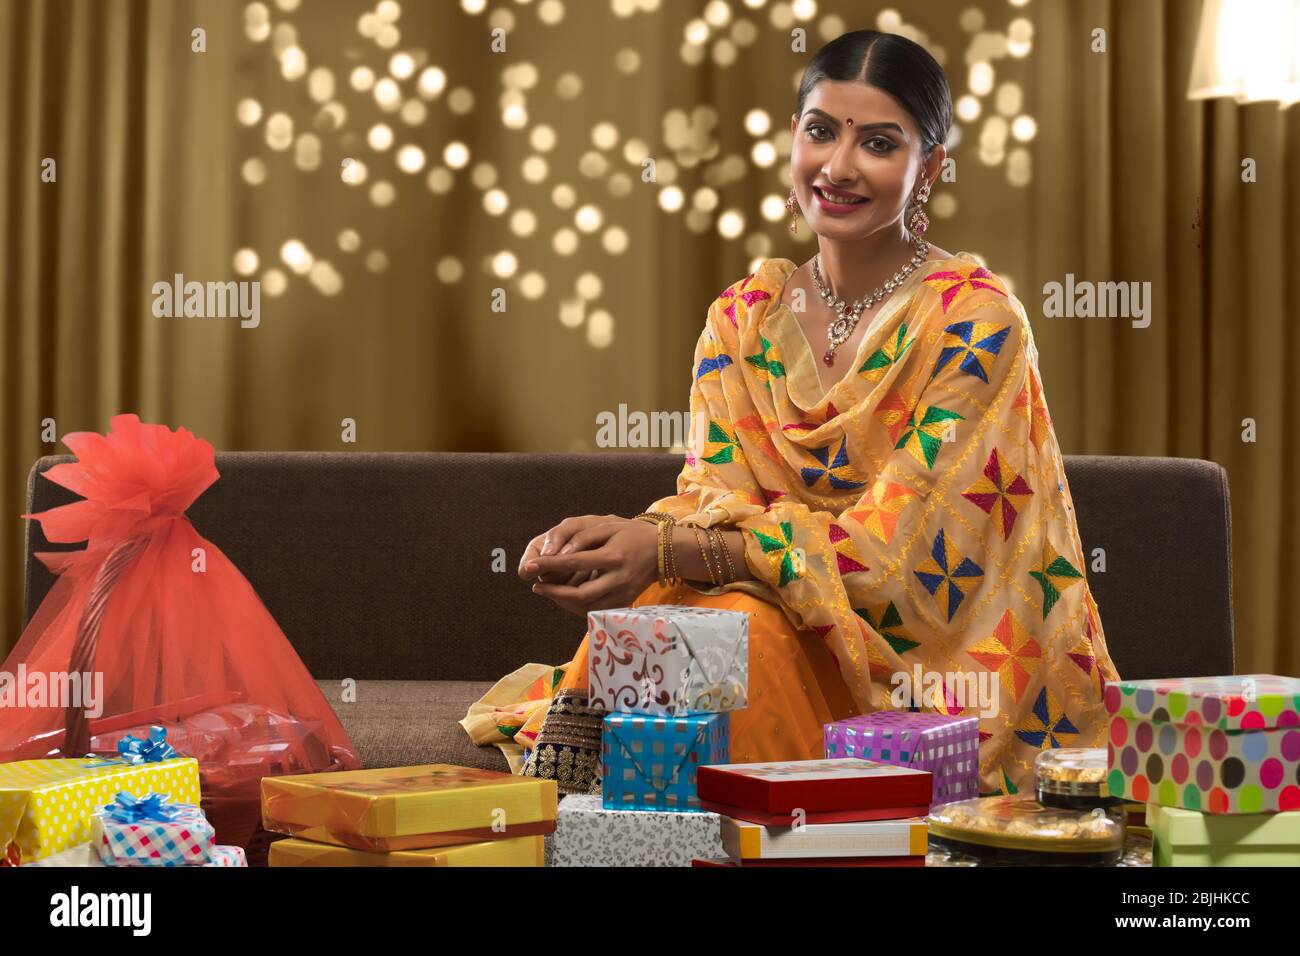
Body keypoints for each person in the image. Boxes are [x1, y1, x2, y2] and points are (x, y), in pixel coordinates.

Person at [460, 28, 1119, 798]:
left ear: (930, 167)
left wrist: (665, 549)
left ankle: (605, 793)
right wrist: (651, 546)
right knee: (704, 610)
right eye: (819, 132)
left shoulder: (975, 324)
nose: (837, 168)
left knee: (733, 623)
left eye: (878, 142)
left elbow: (896, 562)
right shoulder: (741, 319)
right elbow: (714, 502)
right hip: (751, 617)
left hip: (919, 673)